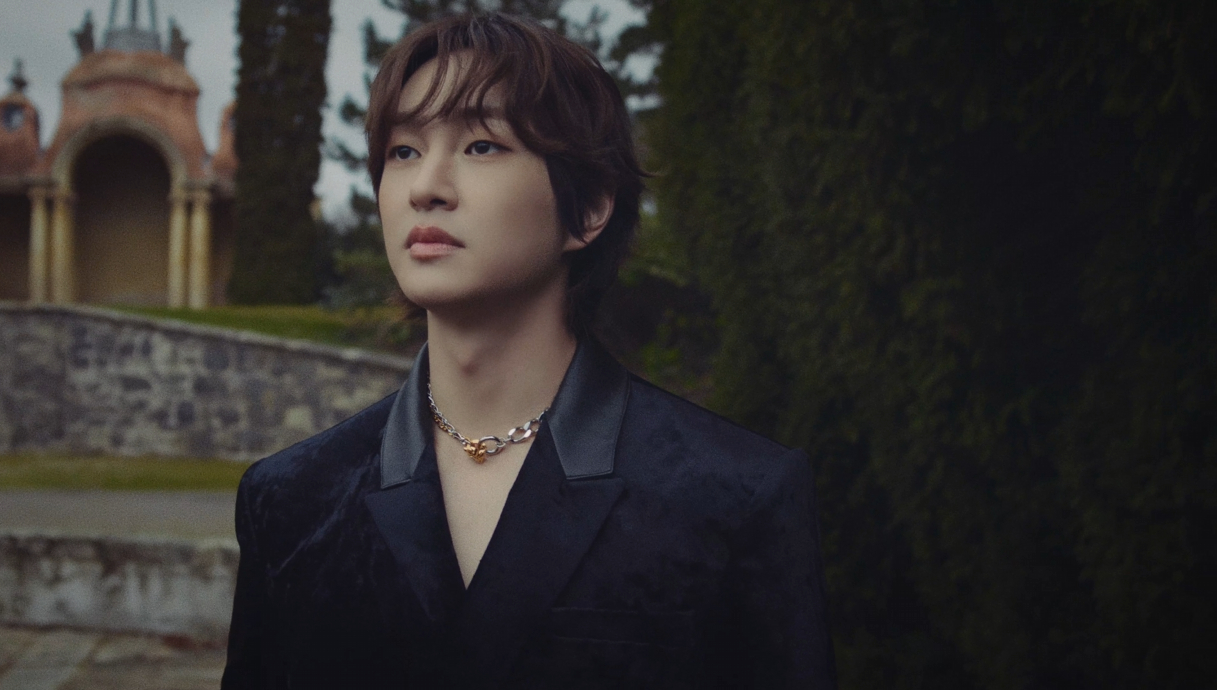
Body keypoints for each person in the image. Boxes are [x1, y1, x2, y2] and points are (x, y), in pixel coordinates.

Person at [221, 12, 835, 689]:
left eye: (481, 145)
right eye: (403, 151)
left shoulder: (735, 496)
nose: (425, 186)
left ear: (588, 207)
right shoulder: (290, 500)